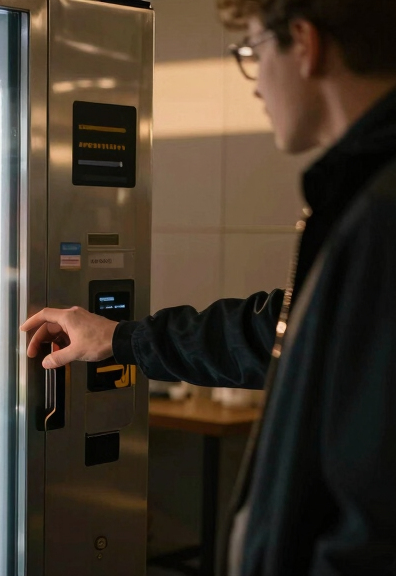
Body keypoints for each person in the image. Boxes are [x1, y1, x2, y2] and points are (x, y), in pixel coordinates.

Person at [21, 0, 396, 574]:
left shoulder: (380, 213)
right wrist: (120, 338)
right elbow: (273, 331)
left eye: (251, 50)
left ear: (305, 43)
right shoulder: (359, 196)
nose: (254, 83)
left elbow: (370, 488)